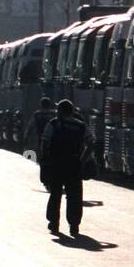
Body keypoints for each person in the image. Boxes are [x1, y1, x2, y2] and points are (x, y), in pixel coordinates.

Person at [40, 99, 93, 238]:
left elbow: (45, 142)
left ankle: (53, 222)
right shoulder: (81, 126)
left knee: (55, 193)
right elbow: (91, 143)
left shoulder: (53, 124)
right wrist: (82, 160)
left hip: (56, 163)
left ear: (62, 111)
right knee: (74, 196)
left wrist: (45, 160)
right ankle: (74, 225)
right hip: (74, 164)